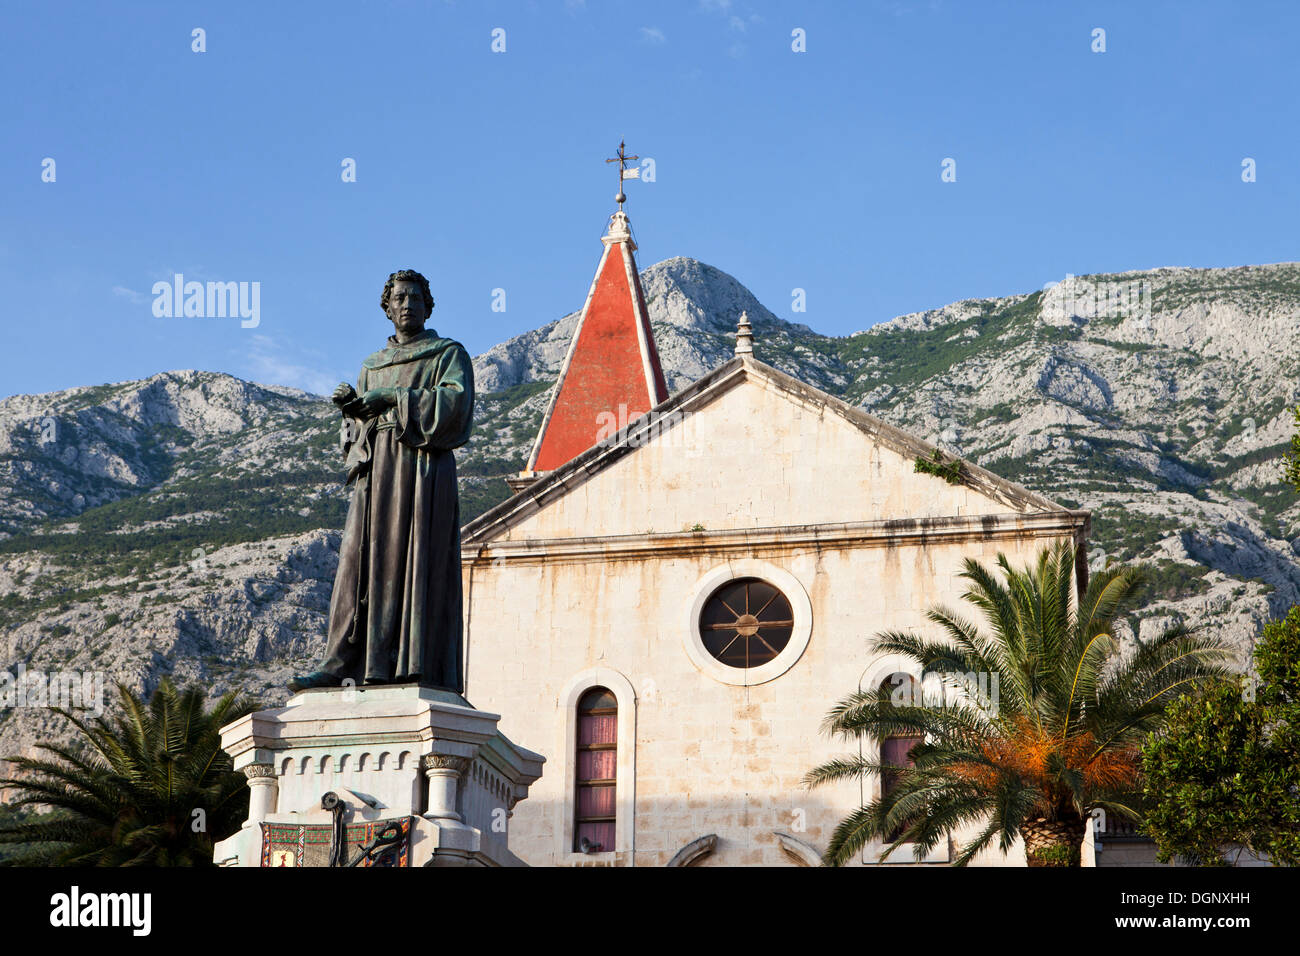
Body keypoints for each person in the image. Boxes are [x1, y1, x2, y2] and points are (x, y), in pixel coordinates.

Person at [289, 269, 474, 693]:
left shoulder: (446, 354)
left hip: (422, 470)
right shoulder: (371, 366)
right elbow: (353, 436)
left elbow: (456, 407)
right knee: (357, 562)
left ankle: (414, 664)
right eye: (399, 298)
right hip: (376, 472)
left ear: (428, 306)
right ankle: (343, 662)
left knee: (414, 560)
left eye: (415, 297)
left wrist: (394, 398)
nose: (407, 304)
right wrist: (352, 411)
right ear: (387, 308)